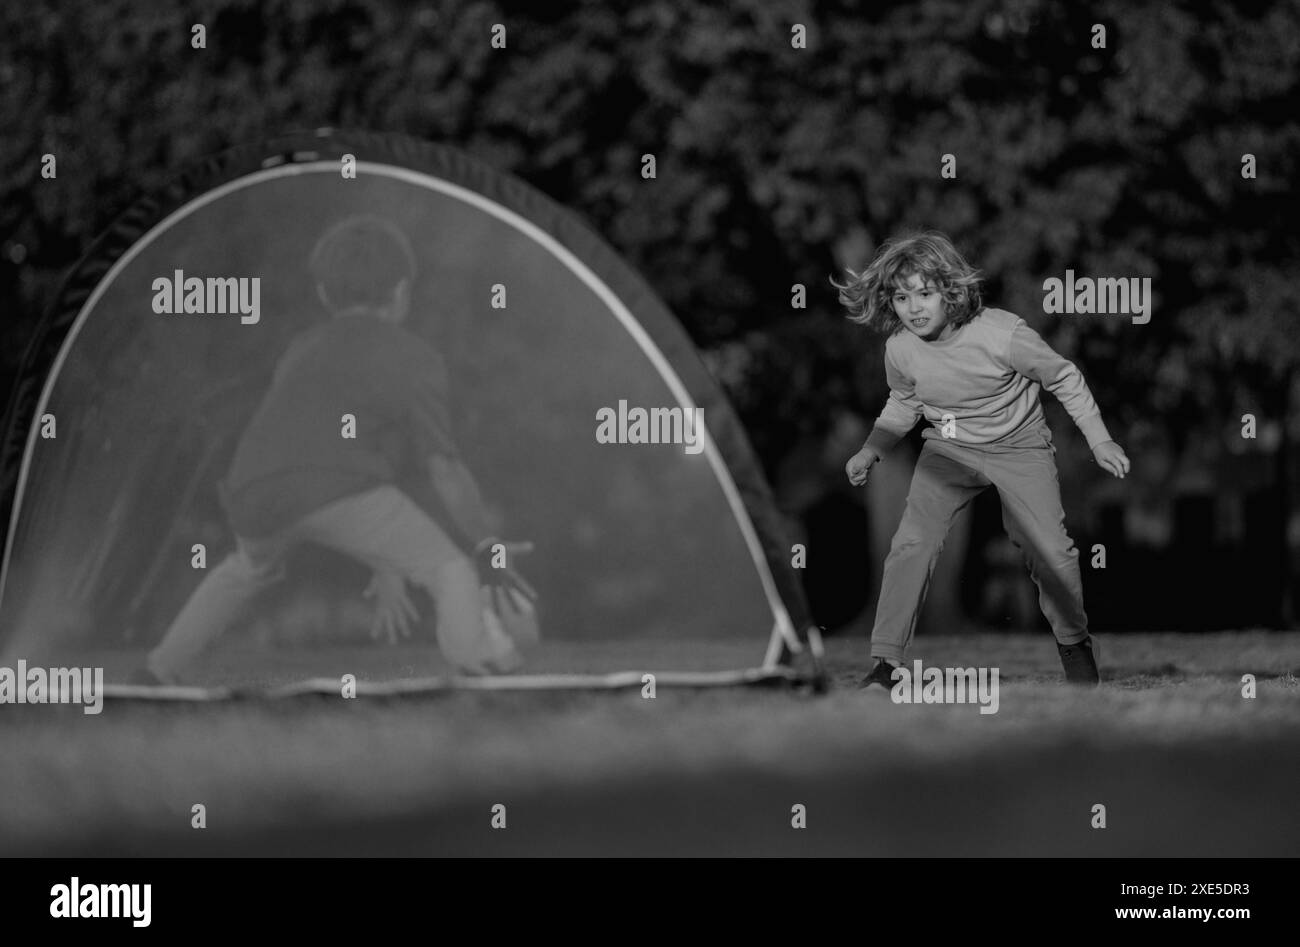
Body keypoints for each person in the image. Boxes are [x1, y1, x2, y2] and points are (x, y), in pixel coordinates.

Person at [140, 216, 534, 684]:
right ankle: (480, 661)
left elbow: (333, 463)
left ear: (325, 296)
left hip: (252, 491)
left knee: (245, 568)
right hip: (332, 489)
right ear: (403, 291)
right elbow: (442, 467)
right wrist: (486, 543)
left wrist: (388, 564)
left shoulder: (301, 348)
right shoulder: (414, 358)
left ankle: (158, 671)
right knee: (450, 569)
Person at [833, 232, 1130, 687]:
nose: (913, 307)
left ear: (951, 291)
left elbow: (1064, 377)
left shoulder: (1002, 334)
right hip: (948, 449)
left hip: (1019, 446)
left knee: (1050, 552)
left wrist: (1100, 440)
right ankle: (885, 665)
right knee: (911, 544)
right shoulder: (900, 349)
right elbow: (903, 403)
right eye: (901, 296)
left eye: (925, 294)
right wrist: (871, 450)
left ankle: (1075, 648)